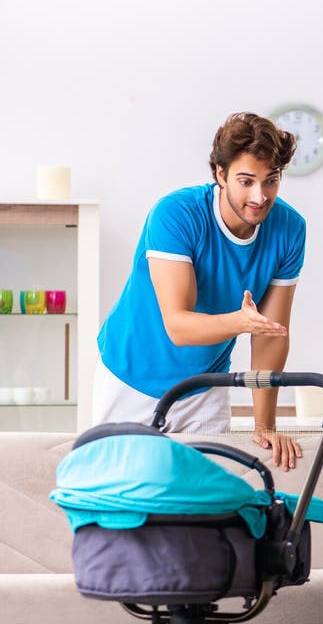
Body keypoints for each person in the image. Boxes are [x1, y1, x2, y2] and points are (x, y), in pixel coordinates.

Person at [93, 112, 305, 471]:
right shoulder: (176, 215)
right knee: (122, 493)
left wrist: (264, 425)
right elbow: (179, 326)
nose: (260, 196)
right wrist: (241, 322)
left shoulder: (289, 228)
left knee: (202, 502)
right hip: (131, 375)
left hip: (204, 385)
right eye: (246, 181)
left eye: (271, 181)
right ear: (220, 174)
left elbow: (271, 335)